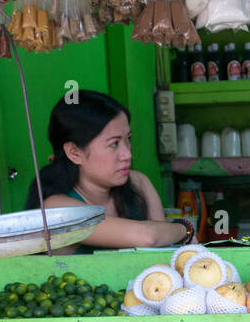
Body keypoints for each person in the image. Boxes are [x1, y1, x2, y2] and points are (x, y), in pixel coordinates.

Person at [26, 90, 193, 252]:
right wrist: (184, 229)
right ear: (74, 153)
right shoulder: (55, 209)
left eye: (128, 139)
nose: (127, 154)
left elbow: (163, 253)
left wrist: (173, 233)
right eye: (114, 143)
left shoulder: (138, 183)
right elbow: (149, 237)